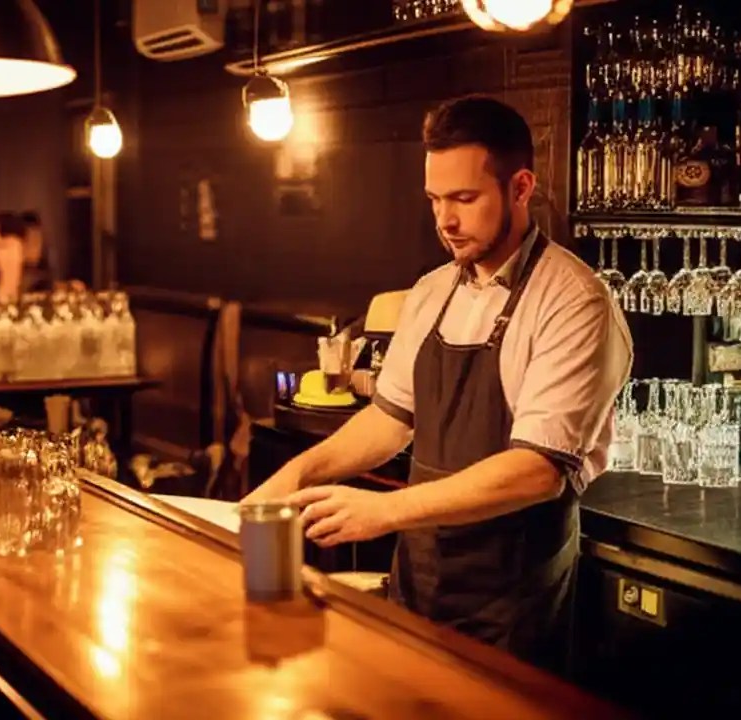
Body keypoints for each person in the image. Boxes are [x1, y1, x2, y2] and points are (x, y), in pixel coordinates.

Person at [244, 96, 632, 673]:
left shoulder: (574, 302)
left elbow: (537, 470)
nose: (444, 221)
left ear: (520, 187)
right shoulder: (431, 290)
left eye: (464, 200)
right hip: (419, 582)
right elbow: (388, 419)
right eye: (434, 200)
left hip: (511, 602)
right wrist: (290, 477)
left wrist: (384, 511)